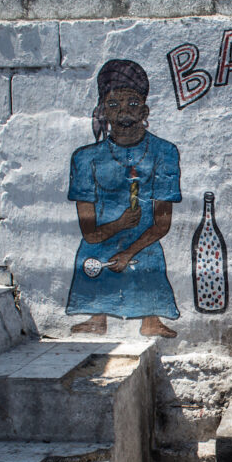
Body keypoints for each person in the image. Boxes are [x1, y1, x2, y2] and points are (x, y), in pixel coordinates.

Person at [66, 59, 180, 338]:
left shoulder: (164, 152)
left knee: (148, 259)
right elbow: (90, 234)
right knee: (95, 257)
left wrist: (129, 252)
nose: (123, 113)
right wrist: (120, 224)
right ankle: (97, 317)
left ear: (144, 109)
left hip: (144, 247)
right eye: (114, 104)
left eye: (132, 103)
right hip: (100, 247)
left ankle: (150, 319)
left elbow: (162, 224)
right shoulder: (85, 158)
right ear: (102, 110)